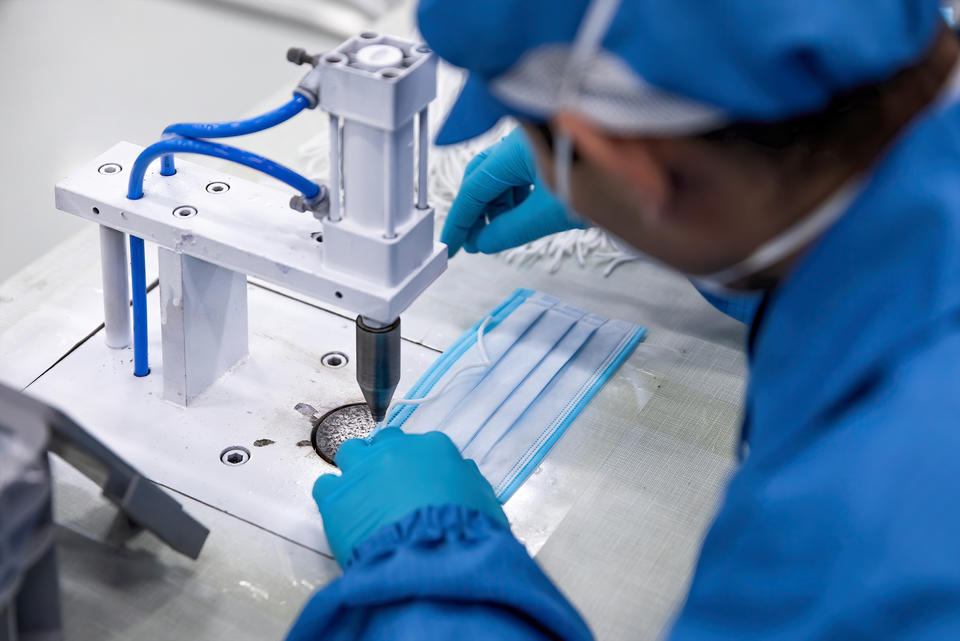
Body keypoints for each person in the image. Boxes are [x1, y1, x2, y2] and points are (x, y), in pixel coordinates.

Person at [287, 1, 960, 638]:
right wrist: (696, 216)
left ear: (629, 163)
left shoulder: (859, 525)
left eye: (537, 135)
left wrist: (433, 572)